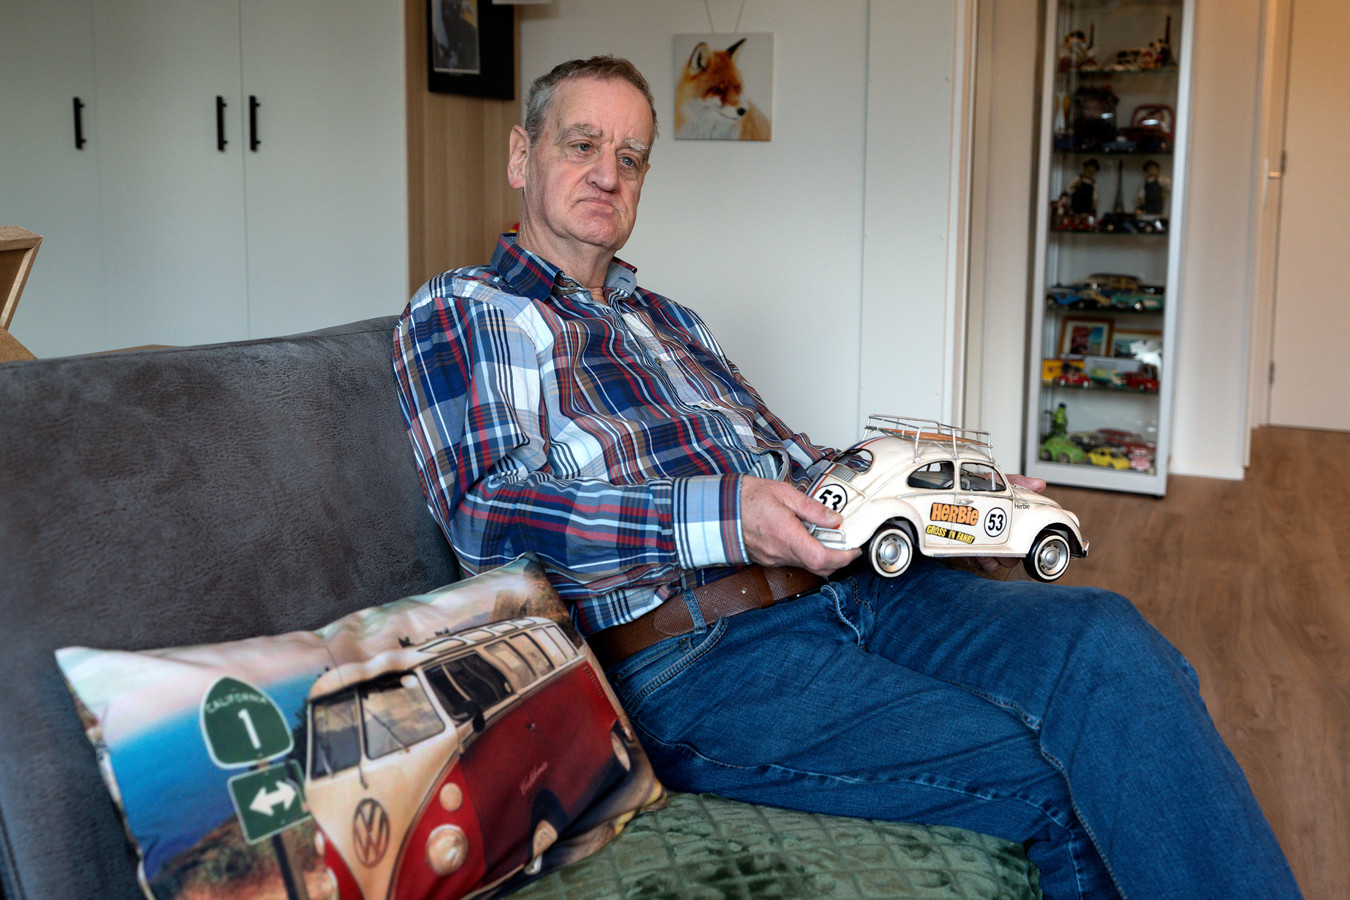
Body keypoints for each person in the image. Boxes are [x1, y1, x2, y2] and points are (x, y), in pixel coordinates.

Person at [393, 56, 1303, 899]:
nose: (607, 172)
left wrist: (951, 504)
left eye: (631, 157)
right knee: (1067, 763)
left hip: (854, 585)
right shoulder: (462, 311)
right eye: (582, 145)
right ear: (522, 155)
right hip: (696, 657)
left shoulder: (672, 318)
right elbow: (488, 517)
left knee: (1112, 644)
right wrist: (727, 516)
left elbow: (790, 457)